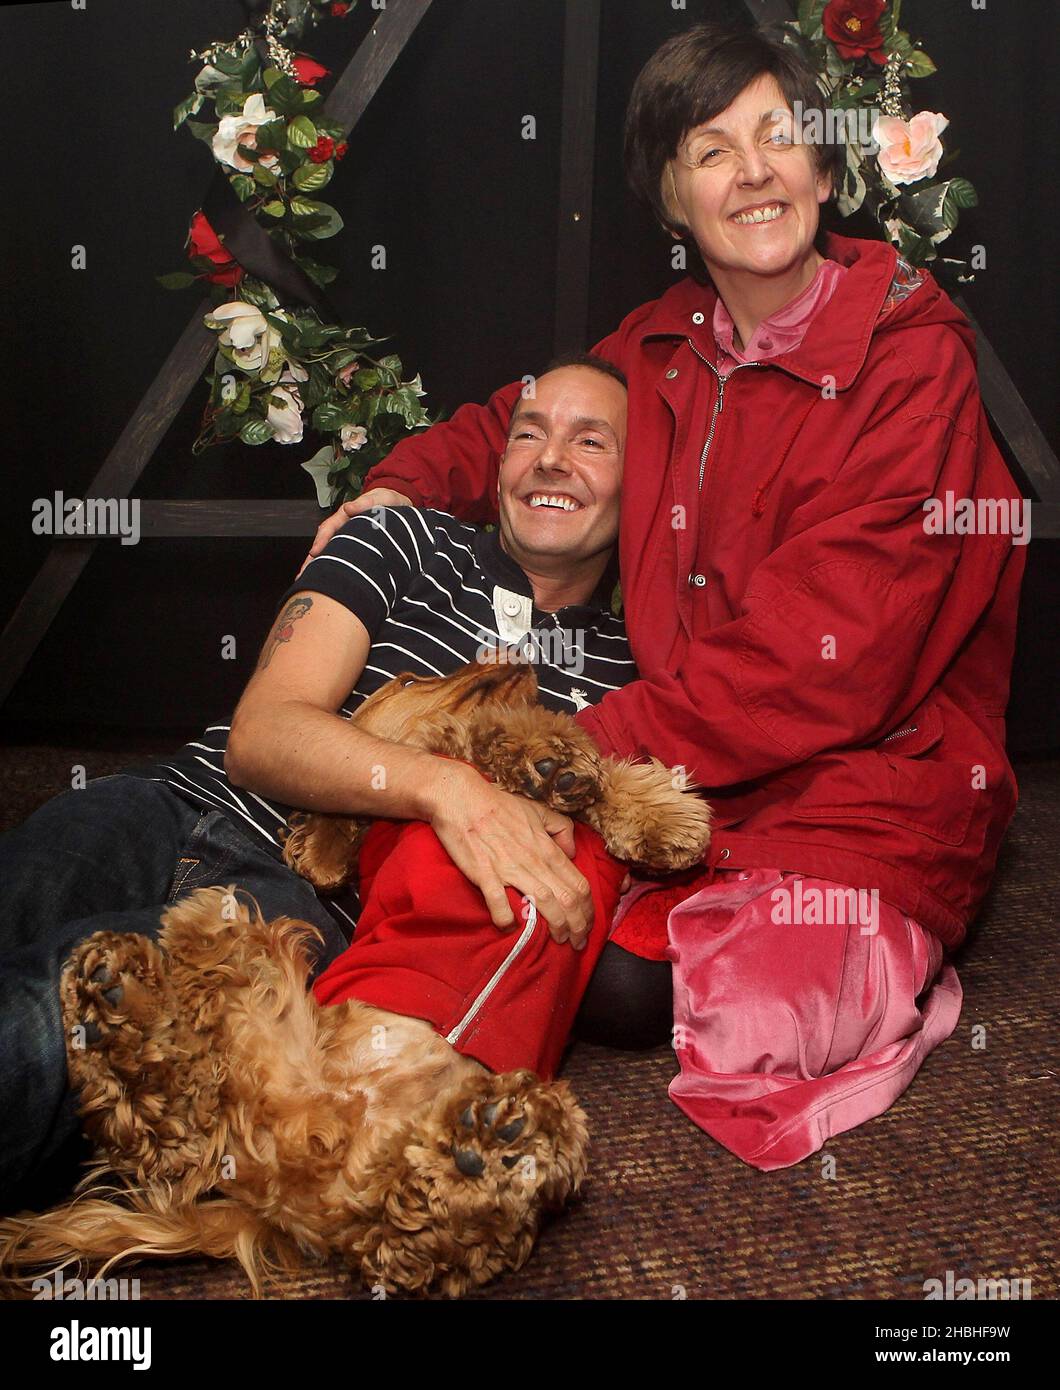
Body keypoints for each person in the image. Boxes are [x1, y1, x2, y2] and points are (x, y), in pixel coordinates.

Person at [304, 24, 1027, 1170]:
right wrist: (400, 480)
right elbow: (517, 422)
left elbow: (824, 653)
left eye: (779, 138)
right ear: (671, 201)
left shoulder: (907, 358)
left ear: (827, 171)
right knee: (558, 933)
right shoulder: (658, 345)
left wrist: (565, 747)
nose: (753, 173)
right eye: (709, 149)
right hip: (687, 769)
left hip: (865, 772)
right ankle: (366, 1109)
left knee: (737, 1020)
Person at [0, 357, 651, 1211]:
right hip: (172, 802)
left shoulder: (632, 671)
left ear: (641, 484)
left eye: (590, 441)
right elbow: (263, 734)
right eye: (529, 433)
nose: (551, 458)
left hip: (298, 908)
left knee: (54, 1020)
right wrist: (447, 789)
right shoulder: (401, 539)